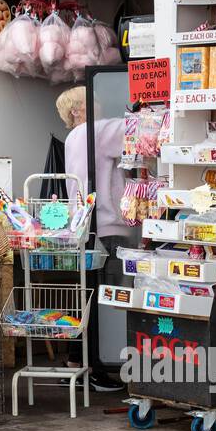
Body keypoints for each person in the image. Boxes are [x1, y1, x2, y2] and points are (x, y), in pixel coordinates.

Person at [55, 85, 131, 393]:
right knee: (108, 296)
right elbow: (135, 131)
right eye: (92, 100)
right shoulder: (94, 131)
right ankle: (100, 365)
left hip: (84, 226)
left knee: (88, 294)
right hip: (107, 225)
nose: (99, 103)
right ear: (77, 111)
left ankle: (77, 362)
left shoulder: (74, 138)